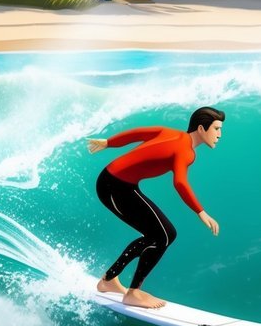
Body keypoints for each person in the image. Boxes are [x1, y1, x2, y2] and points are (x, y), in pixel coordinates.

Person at [86, 106, 224, 309]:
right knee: (164, 235)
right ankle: (132, 293)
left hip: (115, 181)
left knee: (160, 235)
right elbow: (180, 183)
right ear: (202, 129)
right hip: (115, 186)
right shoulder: (186, 152)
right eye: (216, 129)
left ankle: (109, 280)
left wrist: (109, 143)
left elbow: (139, 133)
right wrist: (201, 212)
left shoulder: (171, 133)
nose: (219, 135)